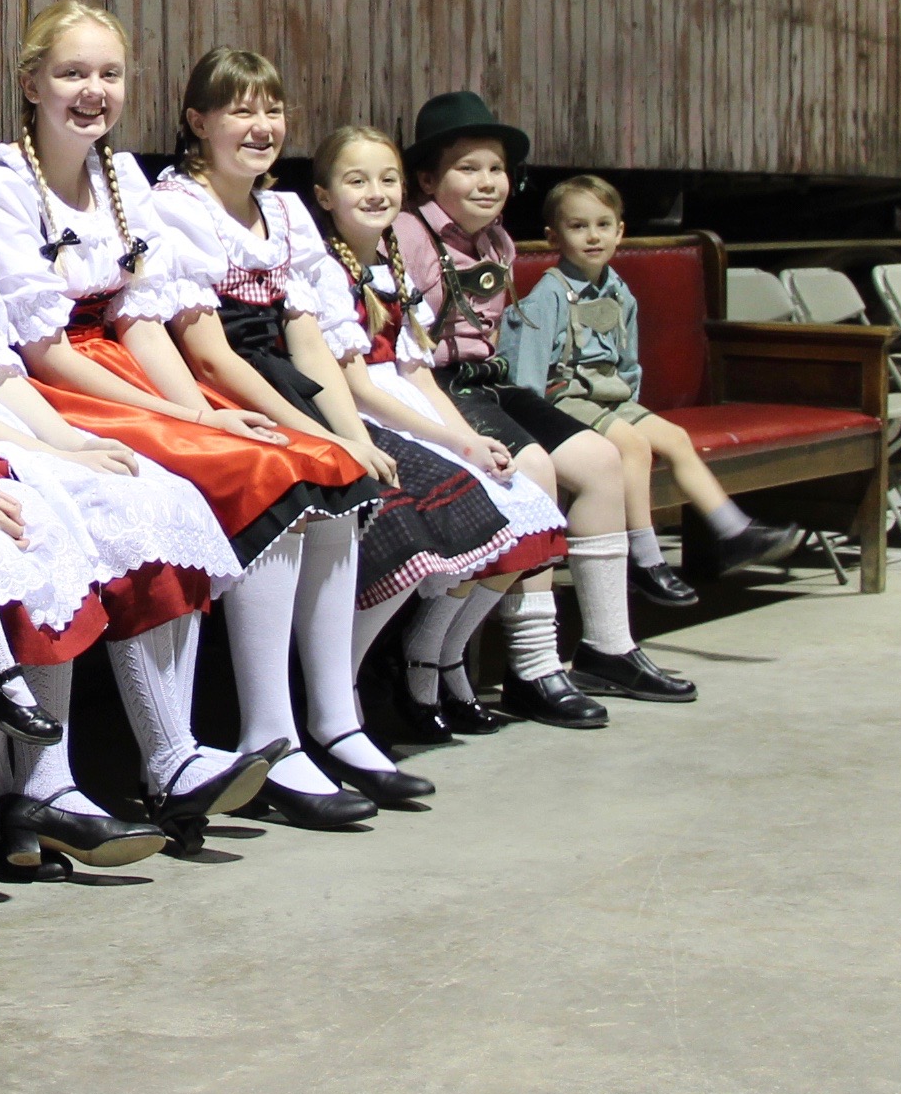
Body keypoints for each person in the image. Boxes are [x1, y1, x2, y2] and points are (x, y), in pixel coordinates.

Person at [0, 1, 388, 836]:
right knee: (246, 468)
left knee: (309, 458)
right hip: (58, 379)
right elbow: (42, 347)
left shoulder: (123, 182)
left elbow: (143, 317)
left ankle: (298, 727)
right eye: (73, 73)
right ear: (30, 83)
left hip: (122, 366)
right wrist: (178, 418)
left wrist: (196, 409)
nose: (92, 91)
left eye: (108, 75)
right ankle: (223, 743)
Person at [0, 30, 258, 865]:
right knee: (43, 521)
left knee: (148, 488)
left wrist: (71, 438)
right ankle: (25, 788)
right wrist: (54, 456)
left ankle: (167, 752)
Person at [152, 47, 527, 811]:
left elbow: (309, 335)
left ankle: (335, 719)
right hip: (214, 381)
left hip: (284, 378)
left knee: (351, 486)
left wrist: (342, 428)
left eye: (271, 110)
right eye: (240, 111)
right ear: (197, 122)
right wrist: (311, 432)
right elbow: (210, 348)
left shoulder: (284, 210)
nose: (260, 127)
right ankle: (269, 734)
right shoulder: (176, 205)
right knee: (298, 481)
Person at [392, 93, 693, 711]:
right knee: (536, 471)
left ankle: (608, 646)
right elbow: (403, 343)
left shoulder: (499, 243)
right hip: (434, 385)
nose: (487, 182)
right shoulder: (409, 233)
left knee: (604, 461)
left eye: (496, 169)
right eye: (467, 168)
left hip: (490, 381)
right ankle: (533, 665)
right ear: (428, 179)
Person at [307, 124, 571, 742]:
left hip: (409, 404)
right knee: (439, 523)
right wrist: (449, 444)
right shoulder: (324, 267)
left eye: (387, 179)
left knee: (523, 507)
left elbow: (419, 374)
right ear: (324, 196)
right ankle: (342, 691)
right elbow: (362, 386)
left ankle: (435, 664)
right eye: (357, 180)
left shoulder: (392, 262)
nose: (376, 193)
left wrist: (467, 440)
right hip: (359, 411)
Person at [501, 174, 807, 579]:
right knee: (633, 445)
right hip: (565, 399)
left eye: (603, 225)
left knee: (676, 439)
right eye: (578, 227)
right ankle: (645, 556)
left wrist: (633, 406)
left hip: (611, 398)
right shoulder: (548, 295)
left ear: (620, 232)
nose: (593, 237)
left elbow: (628, 362)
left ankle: (735, 533)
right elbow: (528, 378)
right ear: (553, 237)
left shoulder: (618, 291)